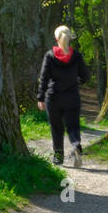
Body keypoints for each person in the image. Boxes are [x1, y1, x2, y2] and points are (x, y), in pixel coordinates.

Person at [36, 25, 90, 166]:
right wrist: (75, 81)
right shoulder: (77, 56)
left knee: (57, 128)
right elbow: (85, 76)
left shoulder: (50, 56)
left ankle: (58, 157)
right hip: (72, 97)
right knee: (73, 126)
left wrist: (40, 97)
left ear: (56, 38)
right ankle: (76, 145)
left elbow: (44, 77)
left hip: (53, 97)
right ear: (70, 37)